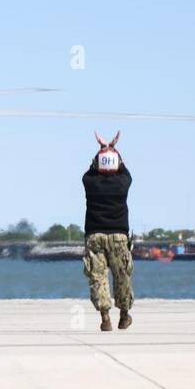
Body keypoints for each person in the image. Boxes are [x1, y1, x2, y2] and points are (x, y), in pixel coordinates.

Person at [82, 131, 133, 331]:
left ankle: (105, 318)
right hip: (119, 237)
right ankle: (124, 315)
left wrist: (102, 149)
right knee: (122, 276)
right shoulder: (123, 183)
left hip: (95, 236)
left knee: (98, 277)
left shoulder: (90, 182)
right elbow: (124, 170)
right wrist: (112, 149)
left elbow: (91, 170)